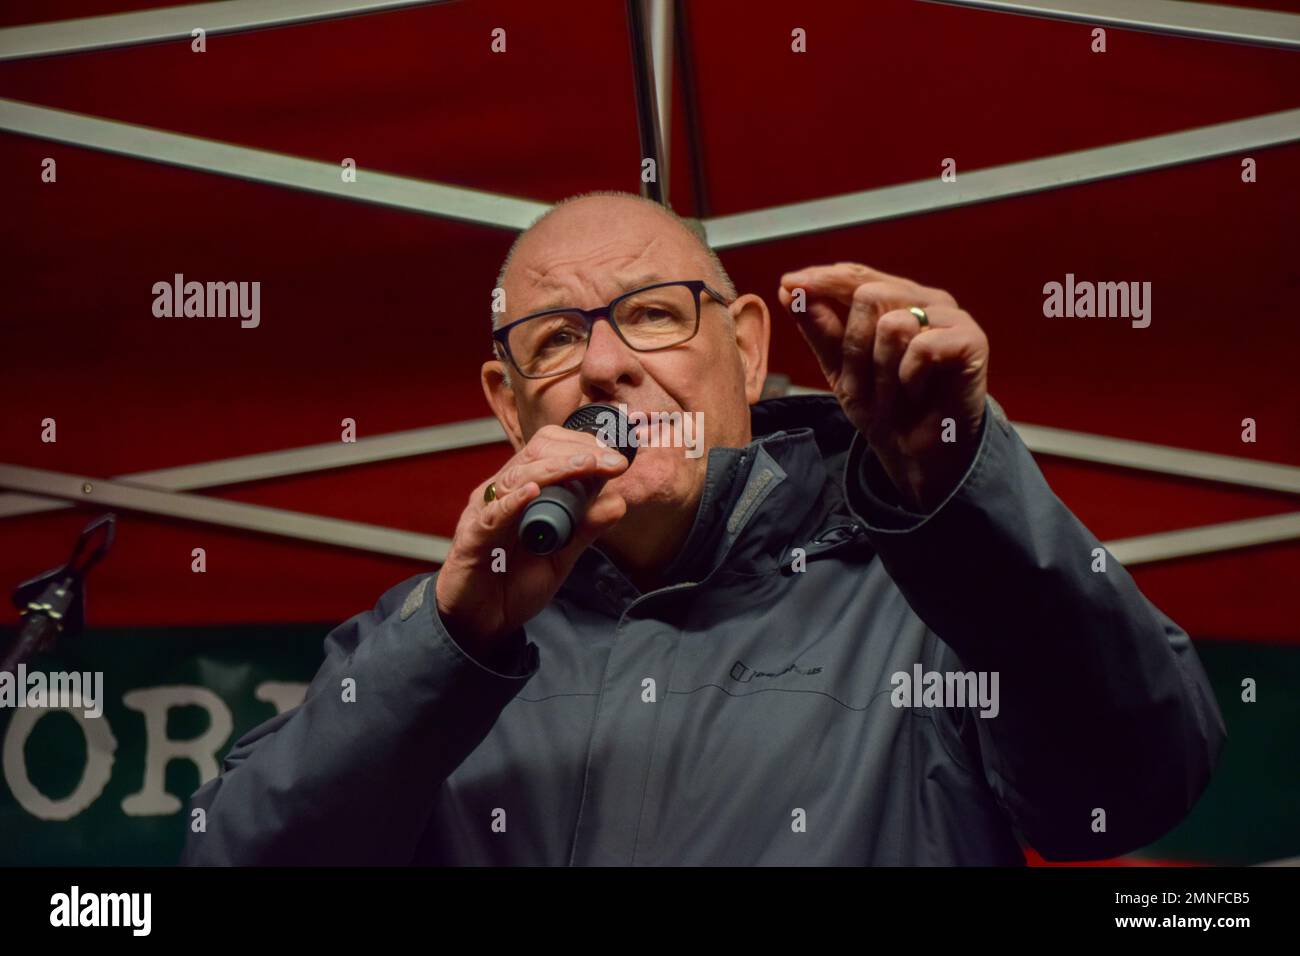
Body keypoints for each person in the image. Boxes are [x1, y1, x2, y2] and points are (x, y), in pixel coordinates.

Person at [183, 191, 1225, 865]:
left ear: (746, 347)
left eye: (650, 313)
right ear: (510, 405)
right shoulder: (434, 634)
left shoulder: (920, 593)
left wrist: (965, 489)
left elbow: (1132, 783)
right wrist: (451, 641)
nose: (602, 365)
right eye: (555, 338)